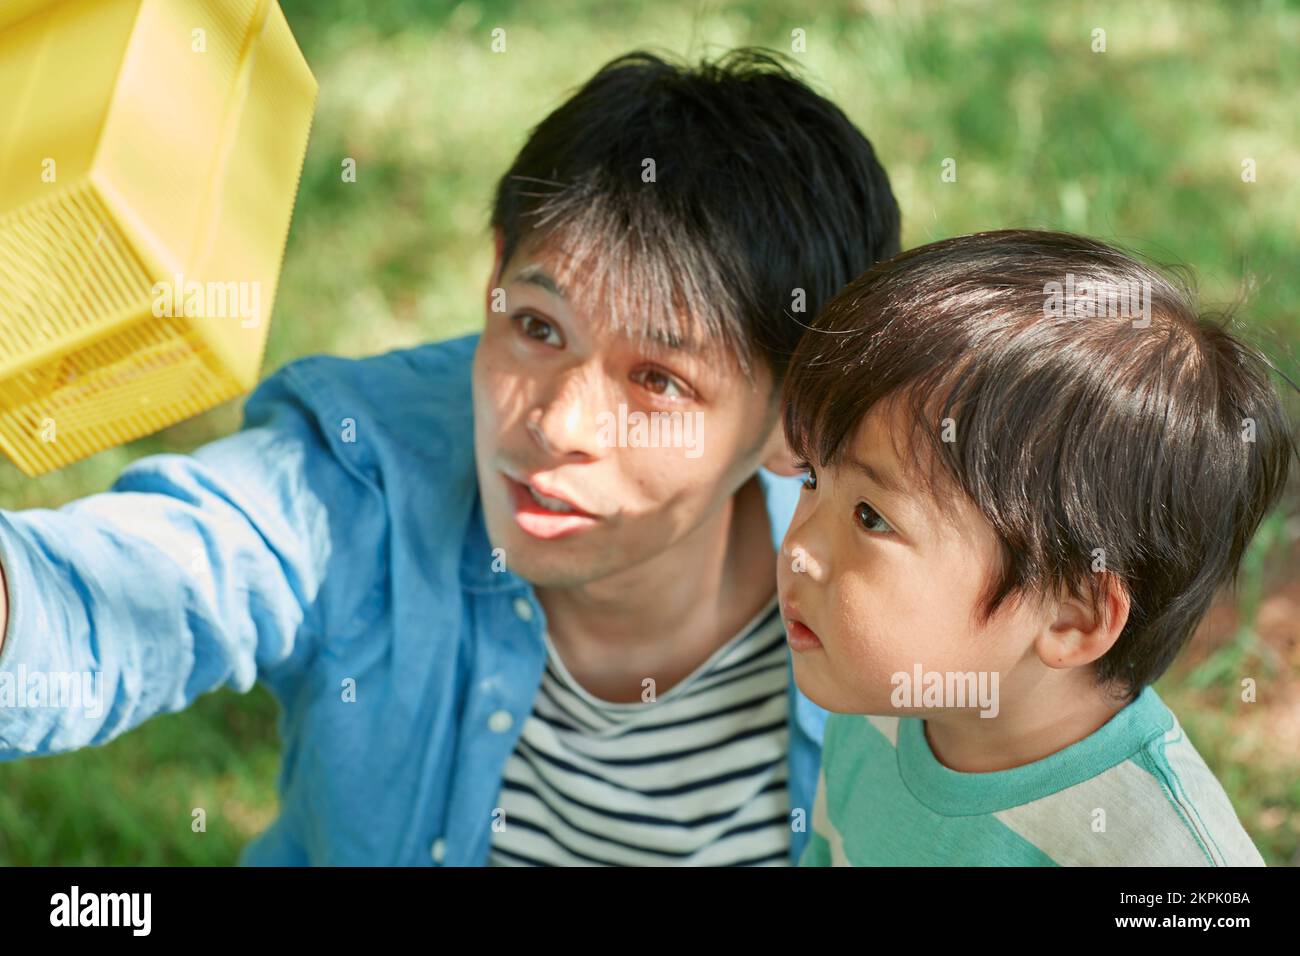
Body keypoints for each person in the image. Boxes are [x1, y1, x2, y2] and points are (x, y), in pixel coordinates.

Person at [0, 48, 900, 866]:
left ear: (797, 423)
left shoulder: (909, 589)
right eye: (538, 327)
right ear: (496, 274)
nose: (556, 423)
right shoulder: (364, 471)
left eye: (658, 381)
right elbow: (133, 585)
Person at [779, 230, 1292, 865]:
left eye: (869, 516)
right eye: (810, 476)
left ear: (1072, 614)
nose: (799, 547)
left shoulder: (1162, 857)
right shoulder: (876, 706)